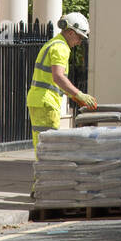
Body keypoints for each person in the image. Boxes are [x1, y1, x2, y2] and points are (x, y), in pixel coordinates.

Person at [26, 12, 96, 155]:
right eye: (79, 37)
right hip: (47, 103)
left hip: (39, 101)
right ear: (70, 32)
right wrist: (79, 94)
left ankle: (41, 176)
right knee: (48, 146)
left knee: (41, 144)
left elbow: (52, 79)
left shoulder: (53, 43)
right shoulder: (61, 48)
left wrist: (73, 96)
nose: (79, 42)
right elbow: (58, 77)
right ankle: (45, 176)